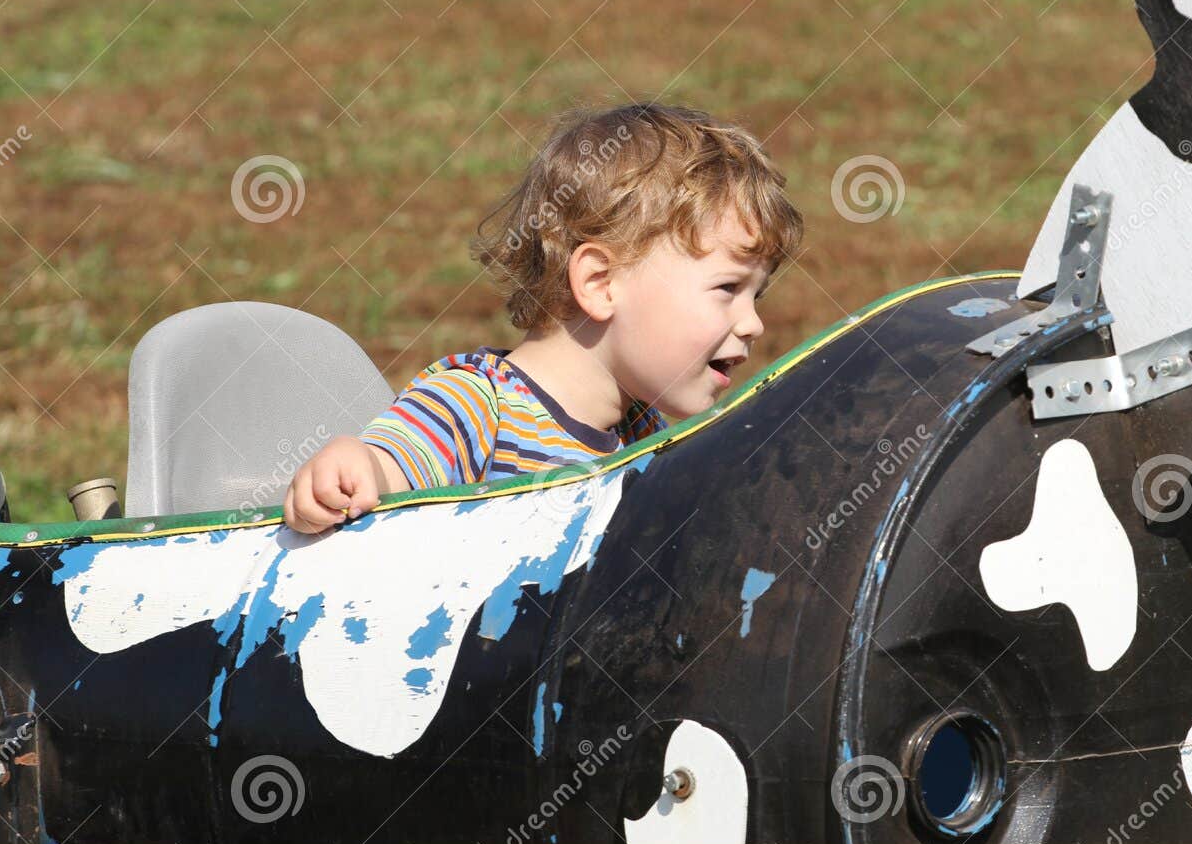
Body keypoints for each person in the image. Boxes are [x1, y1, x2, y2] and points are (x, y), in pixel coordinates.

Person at [282, 102, 804, 534]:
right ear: (601, 284)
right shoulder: (480, 407)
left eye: (756, 295)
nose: (753, 323)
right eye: (728, 288)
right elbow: (395, 466)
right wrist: (357, 466)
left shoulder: (642, 430)